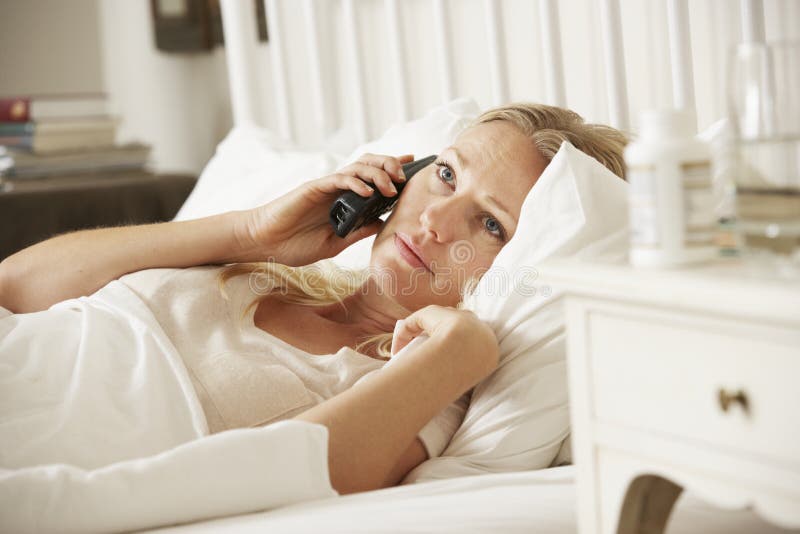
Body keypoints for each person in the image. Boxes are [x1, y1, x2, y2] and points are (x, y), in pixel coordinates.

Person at [0, 103, 626, 495]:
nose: (436, 221)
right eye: (446, 175)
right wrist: (251, 232)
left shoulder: (418, 384)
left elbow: (288, 474)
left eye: (490, 224)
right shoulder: (258, 266)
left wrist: (455, 353)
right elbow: (17, 287)